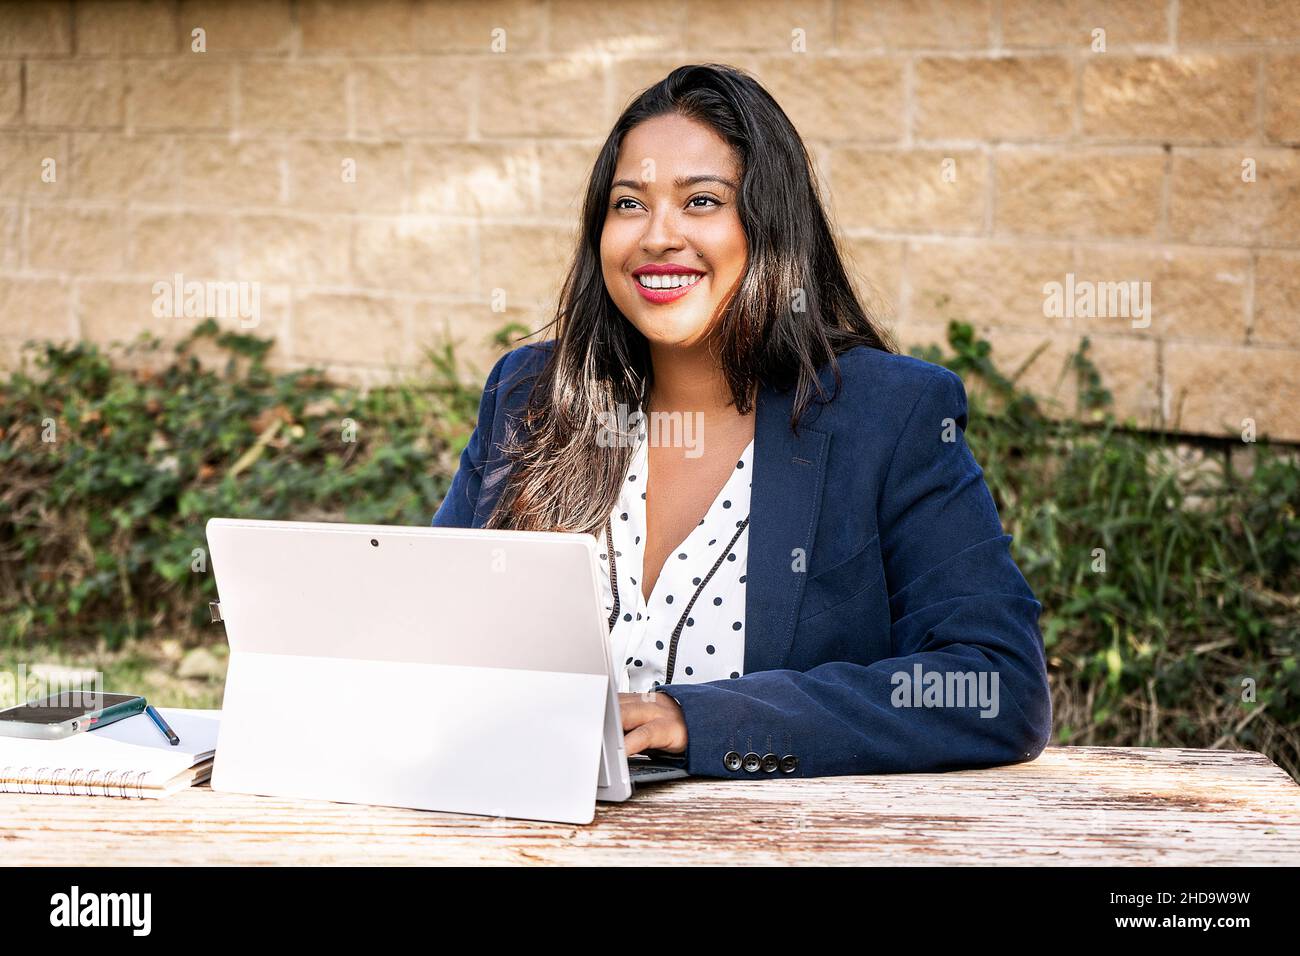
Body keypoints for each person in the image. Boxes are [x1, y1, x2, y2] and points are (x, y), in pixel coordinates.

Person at [432, 63, 1051, 780]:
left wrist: (695, 718)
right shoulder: (534, 398)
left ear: (771, 224)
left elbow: (994, 684)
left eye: (701, 201)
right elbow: (441, 633)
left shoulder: (889, 417)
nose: (658, 236)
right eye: (629, 204)